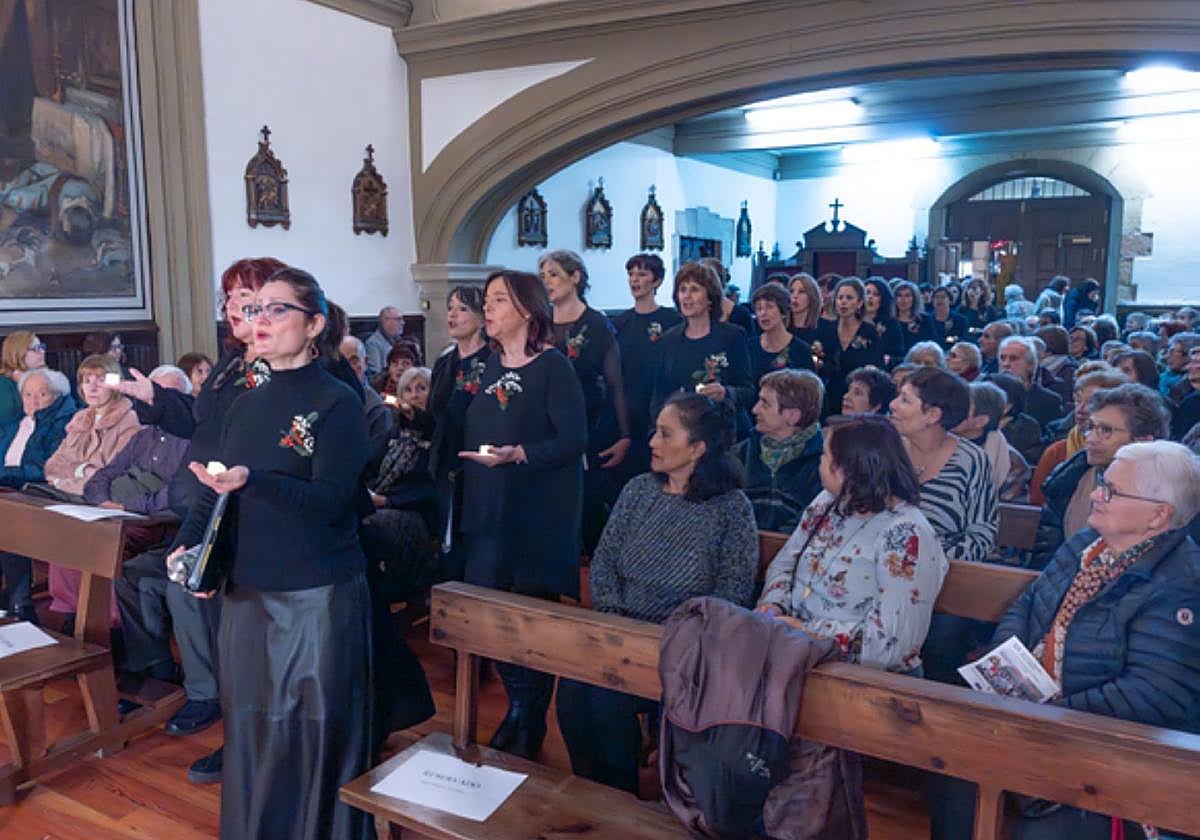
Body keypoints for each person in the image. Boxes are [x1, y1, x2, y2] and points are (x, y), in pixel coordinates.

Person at [170, 266, 374, 839]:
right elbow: (214, 484)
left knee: (310, 732)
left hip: (315, 592)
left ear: (313, 325)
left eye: (276, 309)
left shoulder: (337, 401)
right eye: (253, 310)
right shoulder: (244, 401)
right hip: (248, 590)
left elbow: (334, 503)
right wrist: (191, 545)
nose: (259, 321)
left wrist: (252, 481)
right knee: (253, 728)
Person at [931, 440, 1200, 840]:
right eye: (1101, 484)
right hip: (1034, 715)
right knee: (953, 767)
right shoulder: (1083, 546)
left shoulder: (1179, 583)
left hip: (1108, 747)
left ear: (1159, 515)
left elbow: (1154, 694)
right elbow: (1027, 606)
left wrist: (1050, 711)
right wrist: (1004, 666)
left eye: (1111, 490)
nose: (1095, 494)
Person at [110, 256, 286, 783]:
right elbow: (205, 428)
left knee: (258, 644)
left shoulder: (283, 365)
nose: (234, 307)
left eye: (247, 296)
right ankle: (240, 740)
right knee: (229, 635)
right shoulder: (233, 365)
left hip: (260, 516)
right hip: (214, 510)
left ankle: (269, 746)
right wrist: (158, 400)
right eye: (229, 297)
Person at [556, 393, 757, 794]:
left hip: (685, 646)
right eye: (654, 432)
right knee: (574, 688)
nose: (652, 442)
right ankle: (590, 794)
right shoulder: (639, 491)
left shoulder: (731, 509)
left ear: (698, 448)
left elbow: (731, 592)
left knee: (606, 697)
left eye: (666, 434)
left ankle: (619, 797)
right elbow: (605, 561)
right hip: (621, 626)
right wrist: (615, 620)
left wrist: (674, 636)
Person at [458, 269, 587, 760]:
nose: (486, 308)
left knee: (528, 623)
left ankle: (529, 713)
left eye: (497, 300)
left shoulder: (554, 367)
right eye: (485, 300)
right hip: (487, 508)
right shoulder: (484, 366)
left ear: (527, 310)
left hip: (535, 514)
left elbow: (572, 439)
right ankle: (517, 704)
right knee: (489, 616)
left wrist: (519, 454)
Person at [757, 413, 948, 673]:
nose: (819, 462)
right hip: (797, 652)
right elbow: (786, 563)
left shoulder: (905, 534)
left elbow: (891, 646)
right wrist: (775, 606)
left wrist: (805, 632)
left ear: (849, 468)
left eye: (825, 456)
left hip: (863, 677)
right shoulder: (828, 502)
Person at [539, 249, 631, 553]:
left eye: (553, 274)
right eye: (543, 276)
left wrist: (624, 436)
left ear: (575, 277)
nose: (547, 282)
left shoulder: (596, 324)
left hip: (590, 425)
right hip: (545, 427)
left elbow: (616, 385)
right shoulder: (539, 323)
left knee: (589, 507)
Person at [1033, 383, 1170, 569]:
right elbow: (1045, 556)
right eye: (1090, 427)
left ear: (1143, 440)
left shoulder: (1170, 493)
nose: (1090, 438)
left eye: (1106, 430)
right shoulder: (1068, 479)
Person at [889, 366, 997, 565]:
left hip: (945, 573)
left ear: (932, 415)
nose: (893, 405)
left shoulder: (972, 460)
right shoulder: (886, 451)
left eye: (905, 400)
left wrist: (928, 564)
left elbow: (981, 534)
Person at [0, 368, 75, 622]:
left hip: (39, 492)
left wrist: (7, 476)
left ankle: (20, 603)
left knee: (8, 517)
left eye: (41, 394)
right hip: (8, 489)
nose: (33, 401)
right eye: (28, 395)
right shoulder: (16, 425)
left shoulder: (63, 423)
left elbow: (47, 467)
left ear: (57, 395)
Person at [427, 286, 491, 581]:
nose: (452, 314)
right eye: (450, 307)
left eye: (462, 308)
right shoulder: (445, 361)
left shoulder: (492, 361)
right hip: (446, 458)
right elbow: (435, 411)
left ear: (481, 318)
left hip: (479, 461)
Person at [650, 261, 753, 434]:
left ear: (710, 298)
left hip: (724, 432)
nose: (687, 296)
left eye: (694, 289)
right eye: (682, 289)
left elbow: (749, 391)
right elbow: (659, 395)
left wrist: (726, 393)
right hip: (683, 434)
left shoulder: (733, 336)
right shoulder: (669, 340)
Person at [611, 254, 683, 477]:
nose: (635, 280)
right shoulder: (620, 322)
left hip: (658, 403)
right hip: (627, 407)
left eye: (642, 274)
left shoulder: (672, 320)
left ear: (657, 281)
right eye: (631, 274)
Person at [738, 369, 825, 531]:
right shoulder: (739, 454)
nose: (755, 410)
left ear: (792, 416)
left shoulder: (825, 463)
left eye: (765, 404)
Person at [1030, 368, 1129, 506]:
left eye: (1090, 403)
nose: (1080, 409)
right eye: (1077, 400)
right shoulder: (1057, 452)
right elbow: (1038, 505)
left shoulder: (1132, 458)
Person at [956, 381, 1030, 503]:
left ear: (981, 421)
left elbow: (1012, 513)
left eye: (962, 406)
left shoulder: (1013, 463)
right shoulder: (936, 441)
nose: (951, 409)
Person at [824, 277, 885, 417]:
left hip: (857, 401)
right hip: (829, 397)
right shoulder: (826, 330)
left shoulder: (870, 332)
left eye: (849, 298)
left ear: (859, 303)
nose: (843, 302)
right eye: (840, 298)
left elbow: (876, 369)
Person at [748, 283, 814, 388]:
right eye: (759, 308)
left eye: (769, 307)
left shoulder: (801, 350)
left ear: (783, 312)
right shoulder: (749, 347)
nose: (763, 313)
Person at [996, 336, 1065, 428]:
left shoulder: (1050, 401)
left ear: (1030, 365)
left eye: (1013, 358)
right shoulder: (988, 395)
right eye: (1002, 358)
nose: (1005, 364)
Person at [0, 330, 47, 425]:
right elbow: (7, 419)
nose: (42, 352)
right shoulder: (3, 384)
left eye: (42, 347)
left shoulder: (46, 380)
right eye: (36, 348)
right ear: (19, 352)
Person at [864, 277, 904, 367]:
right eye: (867, 293)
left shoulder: (891, 324)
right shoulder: (852, 320)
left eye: (876, 294)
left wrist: (889, 359)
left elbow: (900, 356)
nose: (870, 297)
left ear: (882, 299)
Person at [893, 279, 935, 354]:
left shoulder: (925, 320)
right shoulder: (890, 322)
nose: (903, 300)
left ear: (914, 299)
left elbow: (931, 346)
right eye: (899, 296)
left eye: (907, 296)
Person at [365, 305, 405, 378]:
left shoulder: (401, 341)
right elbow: (376, 375)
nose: (403, 323)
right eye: (399, 319)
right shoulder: (373, 343)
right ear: (386, 321)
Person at [787, 272, 825, 347]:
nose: (795, 296)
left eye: (801, 292)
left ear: (812, 297)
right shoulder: (781, 327)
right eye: (791, 291)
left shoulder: (825, 328)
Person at [930, 286, 969, 354]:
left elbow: (962, 339)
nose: (939, 300)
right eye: (936, 297)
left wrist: (947, 337)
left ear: (950, 301)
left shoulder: (960, 320)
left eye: (943, 297)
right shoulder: (927, 319)